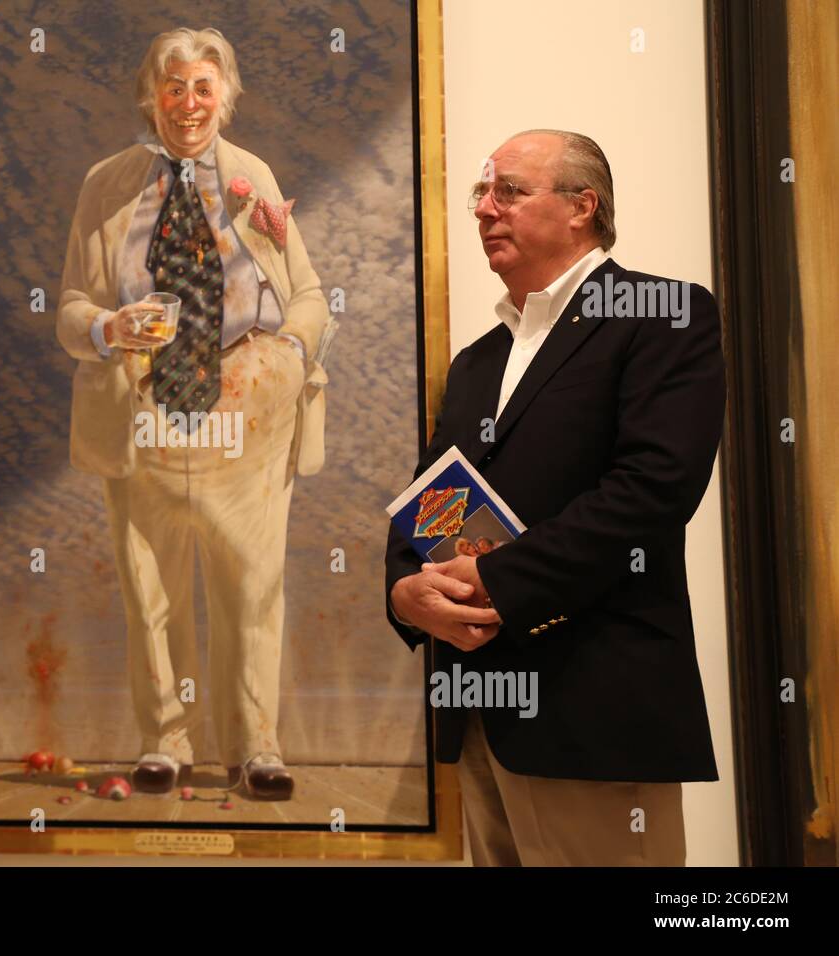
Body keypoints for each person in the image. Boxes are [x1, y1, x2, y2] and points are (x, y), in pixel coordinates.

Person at [384, 130, 724, 865]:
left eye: (507, 190)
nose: (483, 209)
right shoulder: (478, 361)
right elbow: (432, 505)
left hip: (594, 709)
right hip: (480, 711)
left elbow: (652, 491)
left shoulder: (661, 314)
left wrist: (500, 583)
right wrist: (405, 594)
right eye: (481, 193)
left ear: (582, 207)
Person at [57, 27, 330, 800]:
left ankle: (257, 746)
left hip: (243, 418)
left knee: (251, 586)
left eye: (202, 87)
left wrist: (286, 359)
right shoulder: (106, 184)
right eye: (172, 87)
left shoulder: (254, 179)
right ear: (152, 96)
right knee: (151, 590)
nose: (187, 103)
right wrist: (106, 328)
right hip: (141, 414)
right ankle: (165, 742)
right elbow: (71, 305)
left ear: (225, 97)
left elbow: (307, 293)